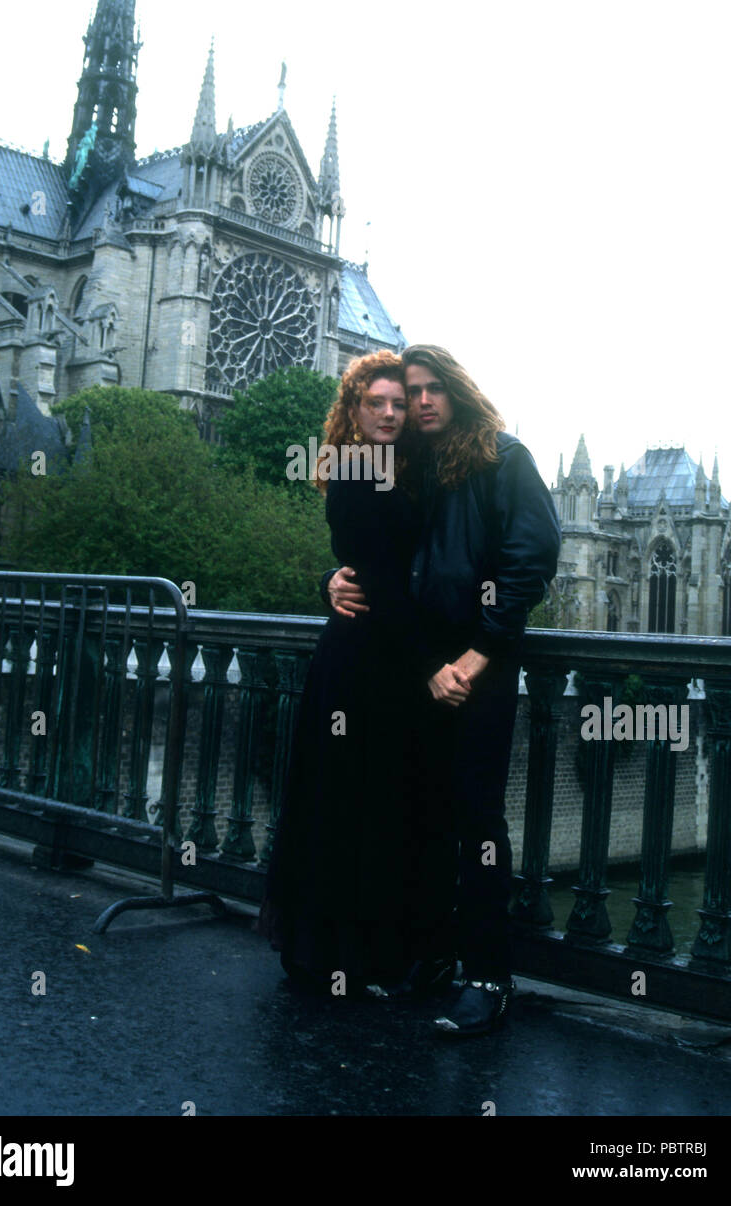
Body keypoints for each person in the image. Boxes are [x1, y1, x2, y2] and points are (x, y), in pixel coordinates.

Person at [326, 344, 561, 1035]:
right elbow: (375, 557)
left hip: (475, 671)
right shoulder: (411, 465)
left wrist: (479, 654)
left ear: (457, 391)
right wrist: (329, 582)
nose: (420, 402)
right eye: (411, 392)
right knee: (422, 815)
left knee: (477, 821)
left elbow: (530, 563)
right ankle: (430, 960)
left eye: (432, 390)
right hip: (415, 668)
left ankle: (488, 977)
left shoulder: (505, 458)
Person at [258, 351, 455, 998]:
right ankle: (333, 957)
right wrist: (432, 666)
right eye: (378, 403)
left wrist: (329, 581)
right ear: (353, 408)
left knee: (376, 808)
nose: (393, 413)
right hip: (365, 661)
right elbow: (375, 579)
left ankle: (360, 954)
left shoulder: (406, 465)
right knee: (347, 808)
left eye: (400, 403)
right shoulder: (352, 468)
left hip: (386, 654)